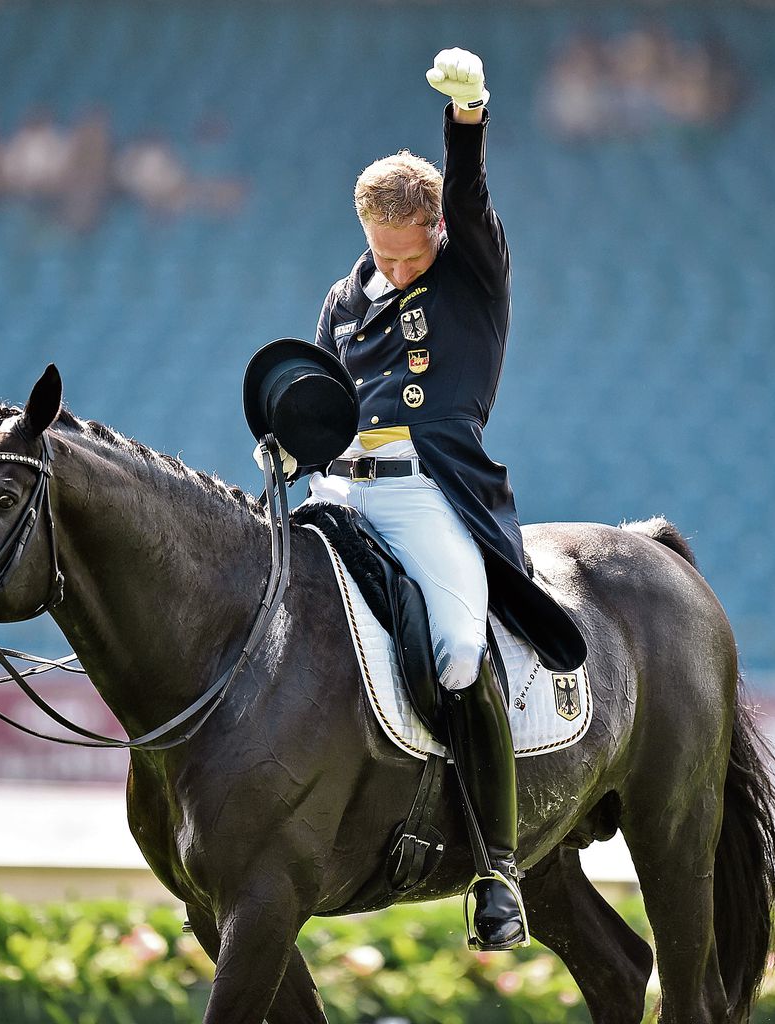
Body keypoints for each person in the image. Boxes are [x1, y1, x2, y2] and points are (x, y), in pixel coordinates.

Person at [261, 48, 586, 950]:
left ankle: (498, 869)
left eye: (408, 256)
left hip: (424, 496)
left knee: (454, 647)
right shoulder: (344, 294)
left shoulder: (471, 269)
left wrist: (468, 118)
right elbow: (316, 395)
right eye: (381, 254)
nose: (395, 271)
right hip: (336, 489)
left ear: (436, 232)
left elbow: (473, 192)